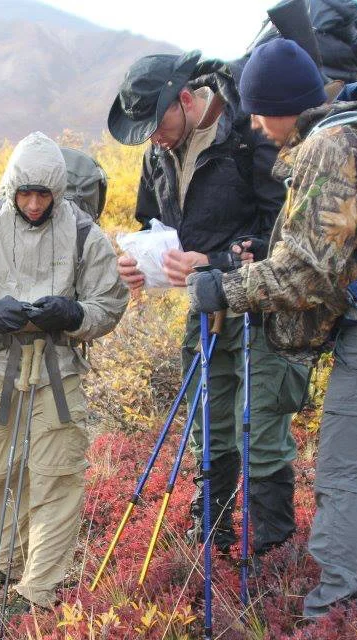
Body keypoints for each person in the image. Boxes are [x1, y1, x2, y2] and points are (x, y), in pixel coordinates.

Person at [186, 38, 357, 617]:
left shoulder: (331, 147)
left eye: (256, 111)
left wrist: (226, 287)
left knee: (347, 475)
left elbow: (311, 270)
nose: (256, 126)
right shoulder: (353, 132)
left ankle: (332, 609)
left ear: (275, 105)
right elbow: (331, 249)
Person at [108, 50, 310, 561]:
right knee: (209, 418)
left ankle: (272, 552)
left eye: (157, 124)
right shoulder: (157, 153)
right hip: (204, 308)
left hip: (263, 303)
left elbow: (289, 234)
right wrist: (139, 263)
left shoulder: (248, 135)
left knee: (260, 423)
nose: (153, 137)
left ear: (184, 98)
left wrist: (218, 259)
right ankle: (215, 537)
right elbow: (155, 226)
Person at [0, 132, 128, 612]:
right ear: (11, 188)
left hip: (59, 371)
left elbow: (110, 301)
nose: (35, 204)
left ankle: (37, 588)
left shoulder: (83, 232)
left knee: (57, 474)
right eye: (26, 194)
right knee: (2, 469)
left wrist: (75, 315)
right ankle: (0, 563)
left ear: (59, 192)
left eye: (45, 195)